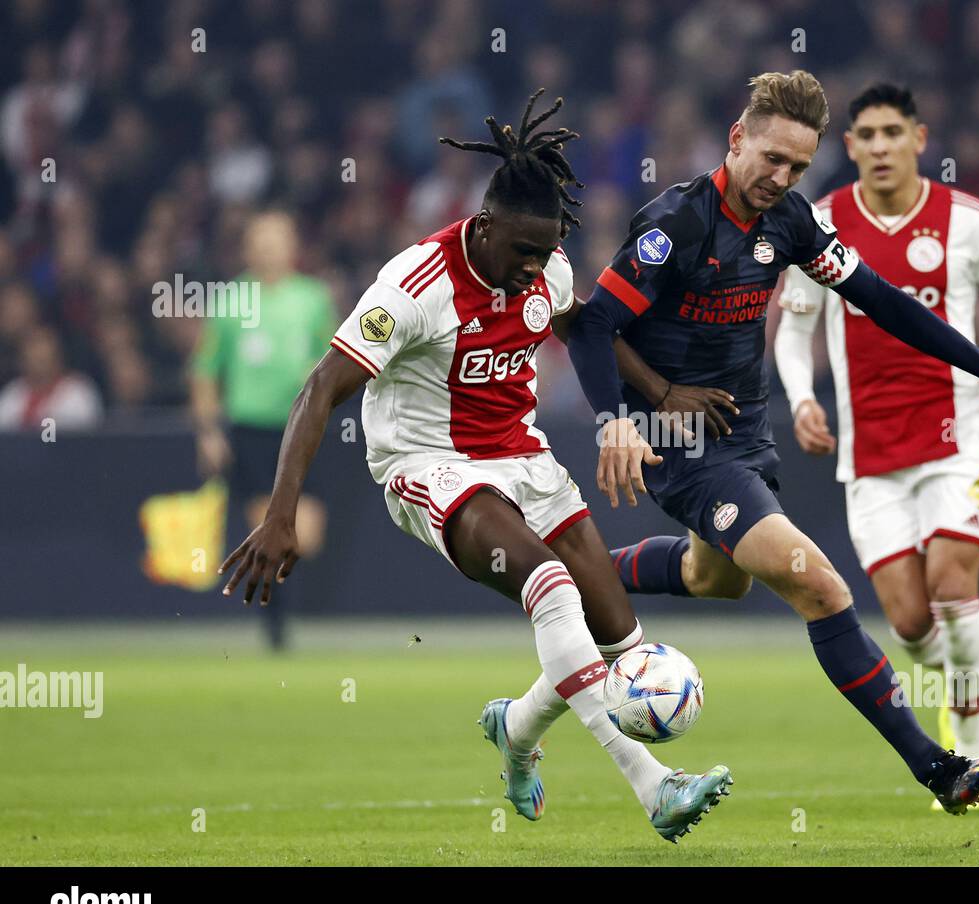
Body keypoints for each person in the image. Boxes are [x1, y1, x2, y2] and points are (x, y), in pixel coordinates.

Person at [216, 92, 731, 843]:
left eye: (545, 250)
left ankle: (516, 731)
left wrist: (658, 391)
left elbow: (583, 328)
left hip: (521, 454)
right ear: (483, 226)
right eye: (521, 250)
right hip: (429, 465)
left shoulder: (546, 268)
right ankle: (655, 788)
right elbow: (321, 386)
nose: (534, 267)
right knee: (550, 588)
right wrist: (279, 513)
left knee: (619, 637)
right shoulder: (414, 286)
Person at [566, 70, 979, 814]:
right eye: (770, 158)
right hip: (680, 441)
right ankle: (938, 766)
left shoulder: (792, 224)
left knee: (719, 580)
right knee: (822, 586)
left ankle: (572, 572)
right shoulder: (675, 223)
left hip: (743, 433)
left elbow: (881, 302)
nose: (781, 177)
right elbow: (592, 324)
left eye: (798, 167)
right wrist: (619, 417)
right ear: (736, 138)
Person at [776, 84, 979, 809]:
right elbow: (794, 328)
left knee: (954, 589)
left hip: (958, 439)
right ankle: (957, 689)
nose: (877, 147)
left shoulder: (969, 222)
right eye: (864, 135)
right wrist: (803, 398)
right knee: (908, 621)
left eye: (891, 133)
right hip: (868, 454)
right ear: (850, 147)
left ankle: (972, 757)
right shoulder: (823, 222)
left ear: (919, 138)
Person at [190, 211, 335, 650]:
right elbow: (204, 371)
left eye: (278, 239)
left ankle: (283, 610)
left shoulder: (313, 299)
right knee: (268, 528)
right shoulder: (231, 299)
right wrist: (209, 431)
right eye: (261, 240)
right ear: (248, 247)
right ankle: (276, 629)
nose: (269, 248)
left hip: (303, 427)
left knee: (306, 534)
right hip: (251, 430)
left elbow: (336, 360)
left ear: (293, 246)